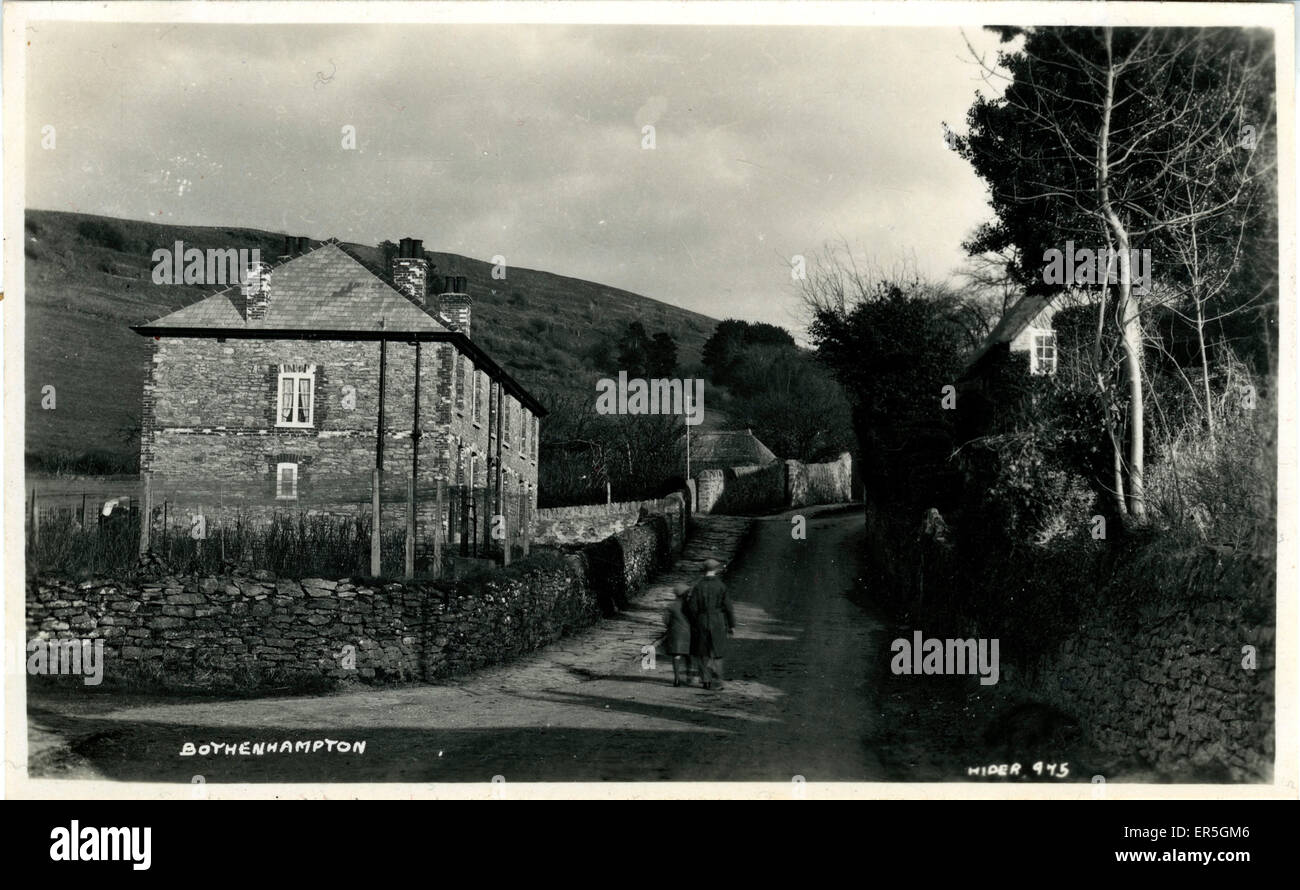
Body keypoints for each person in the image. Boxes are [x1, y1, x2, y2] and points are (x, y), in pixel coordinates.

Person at [685, 559, 735, 690]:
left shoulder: (698, 586)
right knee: (717, 652)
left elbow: (692, 607)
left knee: (702, 652)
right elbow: (728, 607)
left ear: (704, 570)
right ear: (716, 570)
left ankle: (706, 680)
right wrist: (731, 625)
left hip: (701, 621)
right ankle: (718, 680)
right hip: (717, 621)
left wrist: (695, 621)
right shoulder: (721, 586)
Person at [659, 583, 694, 687]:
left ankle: (676, 679)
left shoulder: (671, 606)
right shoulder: (689, 605)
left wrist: (671, 626)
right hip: (688, 633)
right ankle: (689, 676)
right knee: (688, 655)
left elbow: (666, 620)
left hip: (675, 634)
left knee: (676, 657)